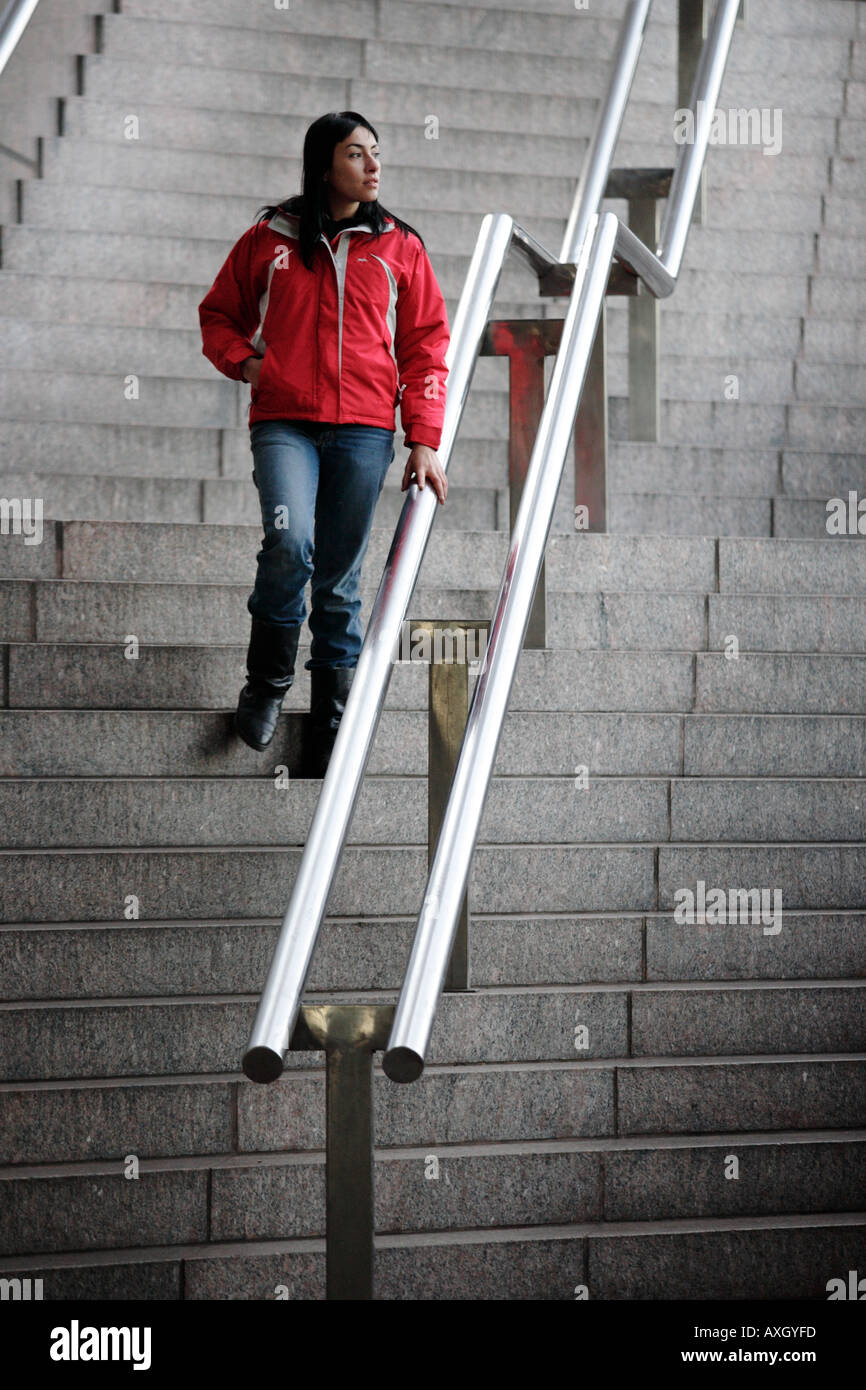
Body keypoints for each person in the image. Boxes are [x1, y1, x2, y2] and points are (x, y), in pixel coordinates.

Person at [198, 110, 450, 773]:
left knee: (338, 582)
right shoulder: (270, 237)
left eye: (376, 153)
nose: (373, 166)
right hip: (284, 422)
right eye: (356, 154)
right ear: (323, 166)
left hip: (365, 430)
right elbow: (219, 313)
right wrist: (248, 363)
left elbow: (426, 348)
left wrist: (423, 439)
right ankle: (268, 683)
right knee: (289, 541)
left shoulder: (400, 246)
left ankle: (333, 722)